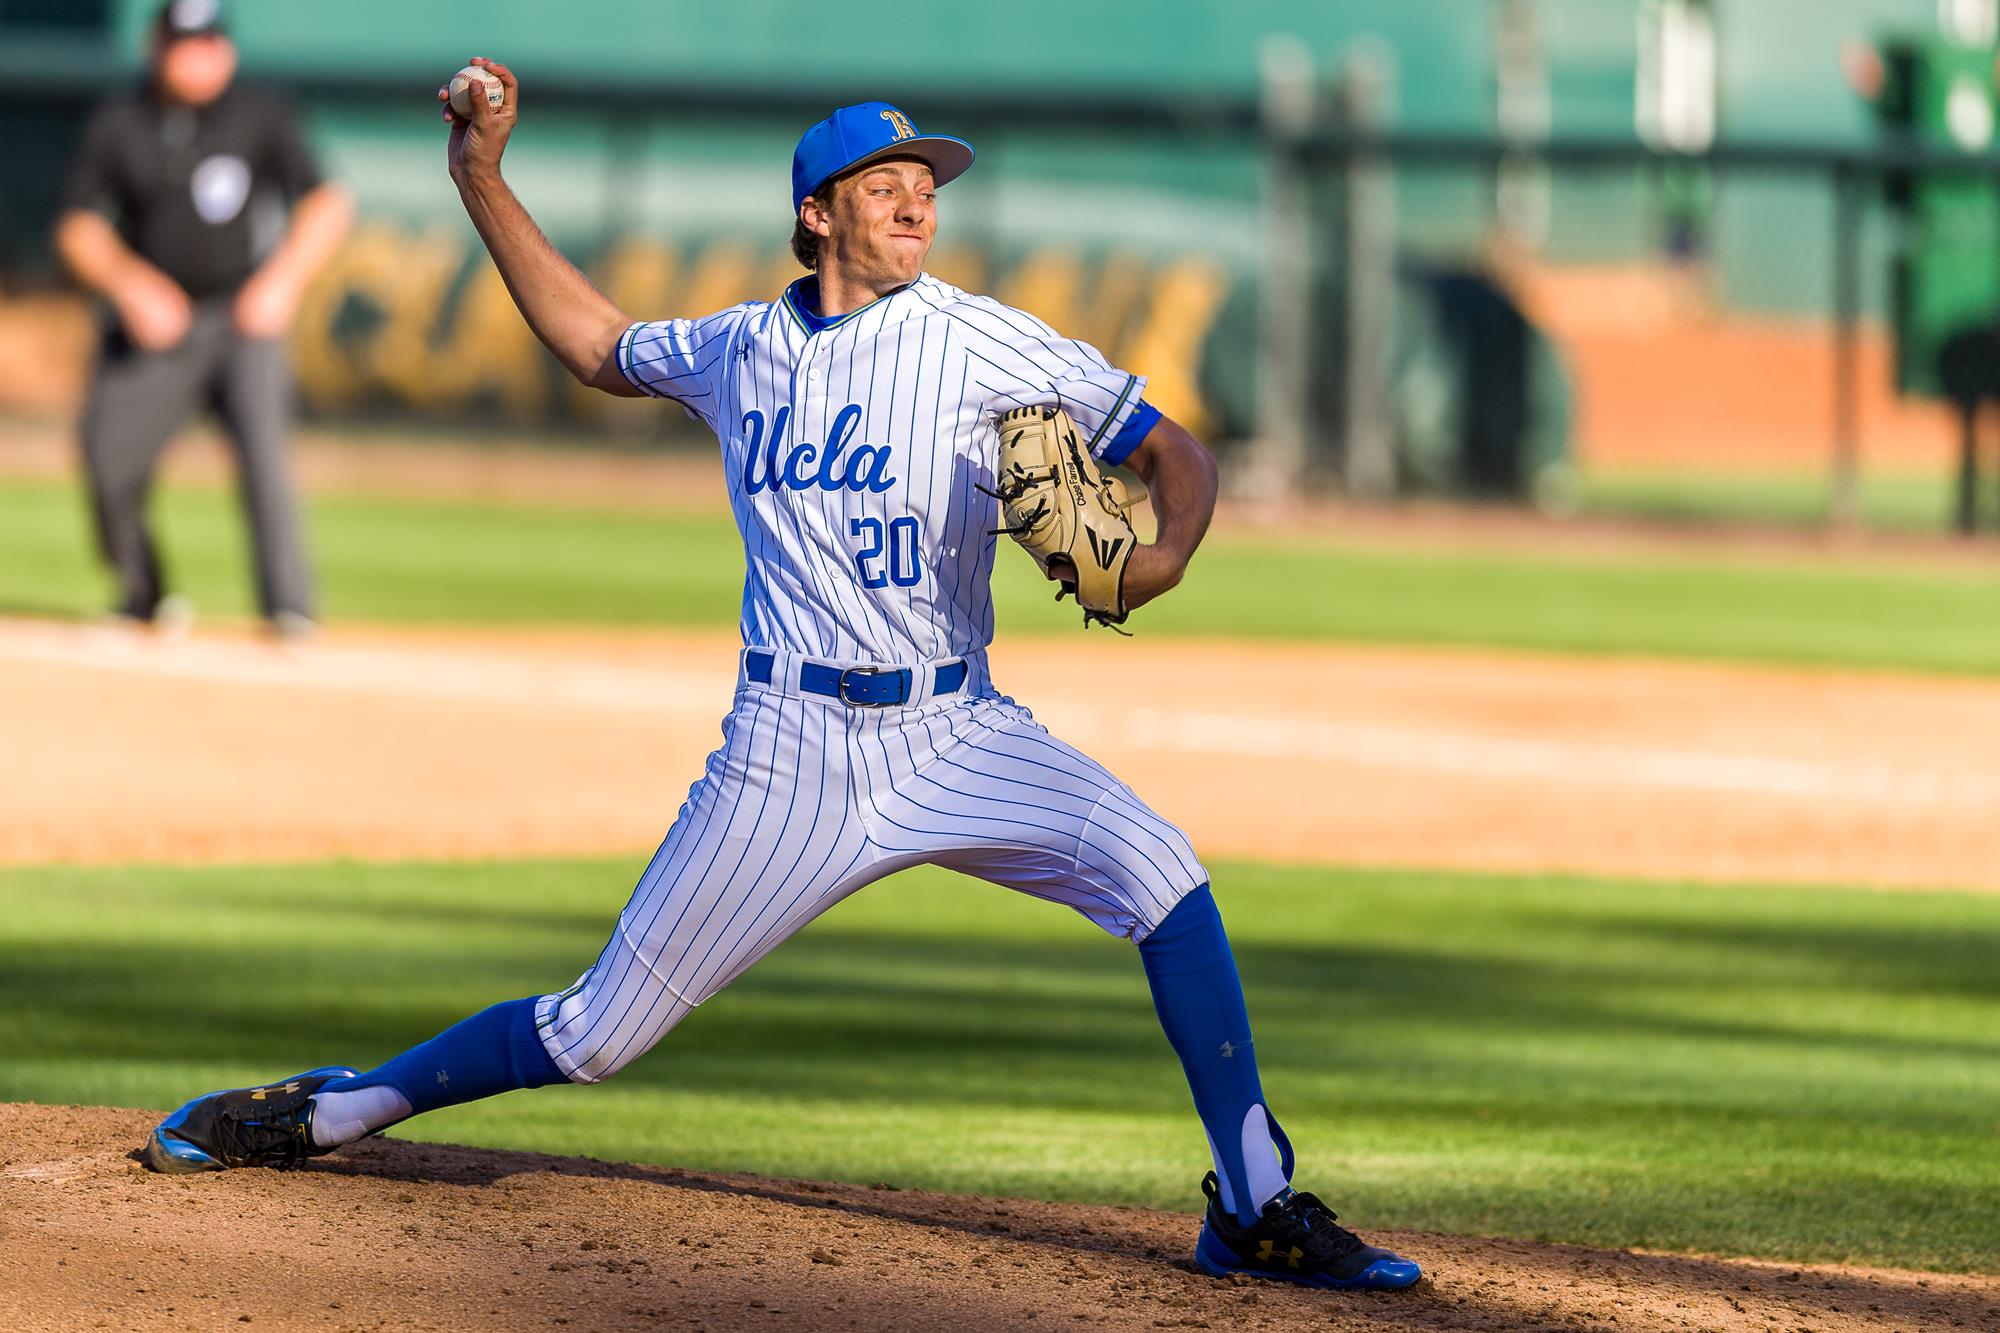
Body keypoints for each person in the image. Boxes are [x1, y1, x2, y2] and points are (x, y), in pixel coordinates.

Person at [141, 60, 1422, 1293]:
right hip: (786, 752)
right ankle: (340, 1108)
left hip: (954, 728)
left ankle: (1253, 1205)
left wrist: (1164, 556)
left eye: (925, 181)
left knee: (1161, 872)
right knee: (594, 1034)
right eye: (883, 182)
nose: (917, 197)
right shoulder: (740, 347)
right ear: (816, 215)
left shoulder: (986, 343)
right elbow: (594, 342)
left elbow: (1169, 449)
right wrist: (480, 176)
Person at [53, 0, 352, 638]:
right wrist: (131, 285)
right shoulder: (120, 121)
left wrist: (281, 284)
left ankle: (290, 610)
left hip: (242, 318)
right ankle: (144, 594)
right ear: (156, 49)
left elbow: (326, 203)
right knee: (108, 459)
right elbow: (78, 227)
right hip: (159, 323)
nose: (200, 56)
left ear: (228, 49)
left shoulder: (260, 113)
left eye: (210, 43)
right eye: (186, 44)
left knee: (265, 462)